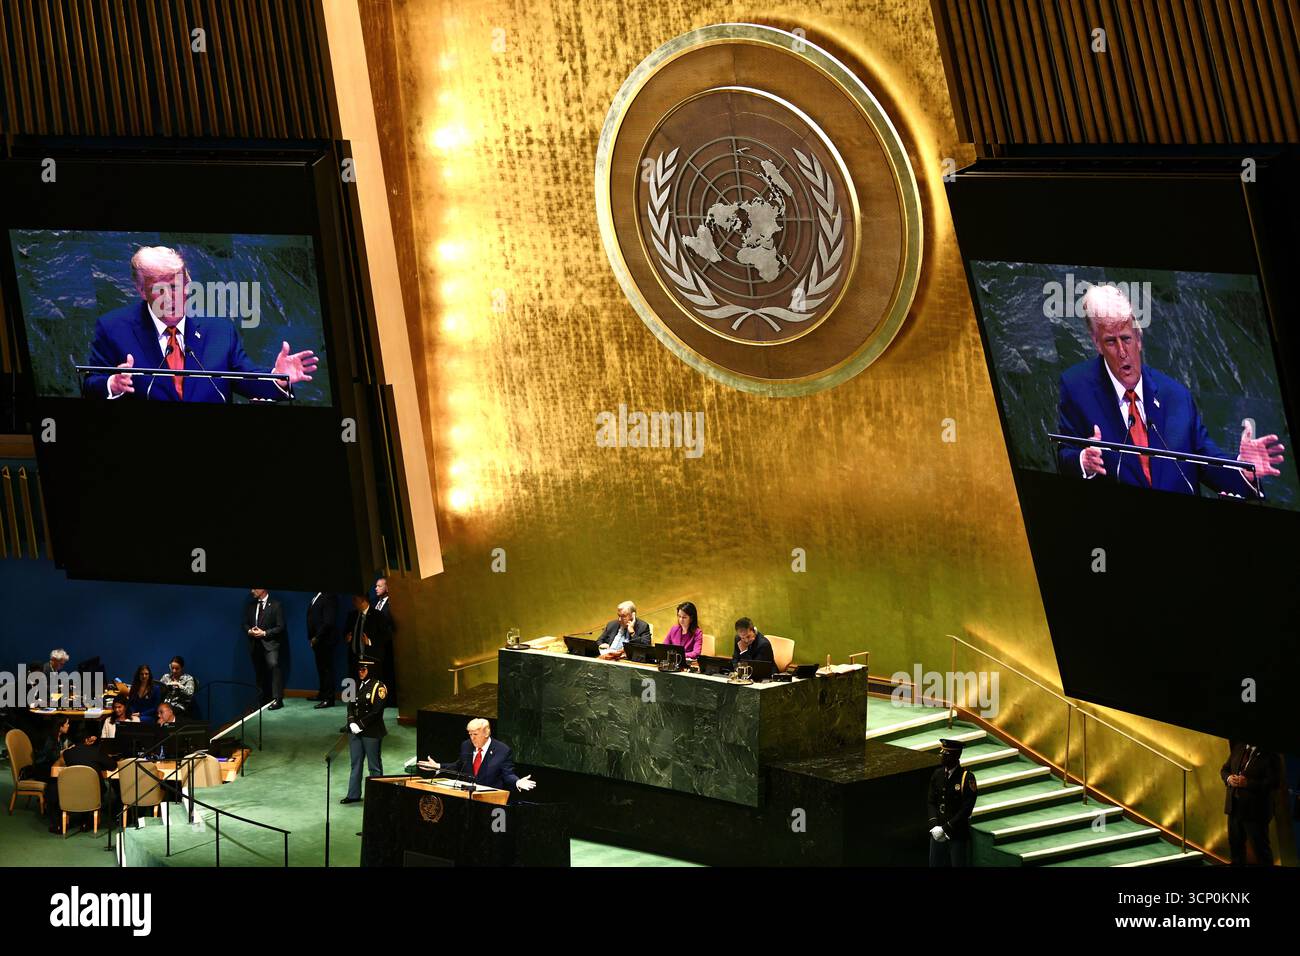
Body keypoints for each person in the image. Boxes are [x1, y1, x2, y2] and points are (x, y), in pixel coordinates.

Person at [1058, 284, 1284, 495]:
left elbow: (1207, 463)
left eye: (1126, 339)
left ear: (1139, 338)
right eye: (1110, 342)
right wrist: (1083, 461)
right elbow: (1062, 455)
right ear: (1096, 343)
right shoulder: (1076, 388)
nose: (1122, 352)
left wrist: (1244, 468)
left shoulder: (1175, 397)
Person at [83, 245, 318, 402]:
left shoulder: (219, 331)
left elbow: (244, 378)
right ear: (141, 290)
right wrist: (112, 384)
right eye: (160, 289)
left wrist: (277, 376)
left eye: (177, 286)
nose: (172, 297)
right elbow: (90, 384)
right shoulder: (113, 328)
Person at [418, 718, 536, 794]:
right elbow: (459, 766)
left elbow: (508, 774)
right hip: (466, 796)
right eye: (470, 734)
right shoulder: (466, 745)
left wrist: (517, 782)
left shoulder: (502, 750)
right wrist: (438, 766)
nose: (472, 738)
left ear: (486, 733)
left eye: (475, 734)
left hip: (490, 798)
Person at [47, 722, 116, 834]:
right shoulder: (96, 752)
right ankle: (87, 821)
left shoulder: (68, 754)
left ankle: (62, 823)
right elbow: (113, 766)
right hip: (94, 792)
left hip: (72, 790)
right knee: (92, 789)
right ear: (87, 739)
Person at [1221, 741, 1280, 866]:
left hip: (1256, 812)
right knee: (1235, 847)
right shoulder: (1239, 747)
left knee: (1261, 851)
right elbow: (1224, 769)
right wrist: (1228, 778)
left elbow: (1273, 783)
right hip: (1234, 808)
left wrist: (1248, 783)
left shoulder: (1271, 755)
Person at [340, 658, 387, 805]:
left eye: (364, 669)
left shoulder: (379, 687)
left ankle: (378, 795)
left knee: (374, 766)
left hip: (371, 732)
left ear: (370, 670)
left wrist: (360, 724)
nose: (360, 672)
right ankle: (353, 794)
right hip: (355, 731)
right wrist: (351, 722)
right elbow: (350, 707)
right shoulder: (354, 685)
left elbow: (376, 711)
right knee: (356, 763)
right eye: (359, 669)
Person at [927, 738, 978, 866]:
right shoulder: (937, 774)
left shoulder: (966, 777)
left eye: (946, 754)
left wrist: (946, 828)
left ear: (956, 756)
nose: (942, 756)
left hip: (957, 834)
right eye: (942, 753)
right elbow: (931, 801)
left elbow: (967, 808)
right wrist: (934, 825)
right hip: (937, 832)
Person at [243, 588, 286, 709]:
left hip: (270, 644)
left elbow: (280, 627)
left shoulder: (276, 605)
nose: (252, 591)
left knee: (273, 665)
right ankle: (261, 702)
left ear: (263, 589)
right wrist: (249, 631)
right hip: (255, 645)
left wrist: (265, 633)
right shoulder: (250, 606)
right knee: (259, 674)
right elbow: (245, 623)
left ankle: (278, 699)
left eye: (255, 588)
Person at [306, 591, 339, 708]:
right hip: (317, 640)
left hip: (325, 640)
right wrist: (312, 637)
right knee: (321, 668)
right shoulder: (317, 596)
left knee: (327, 669)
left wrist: (317, 637)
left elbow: (328, 622)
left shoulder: (329, 596)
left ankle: (329, 699)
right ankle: (322, 694)